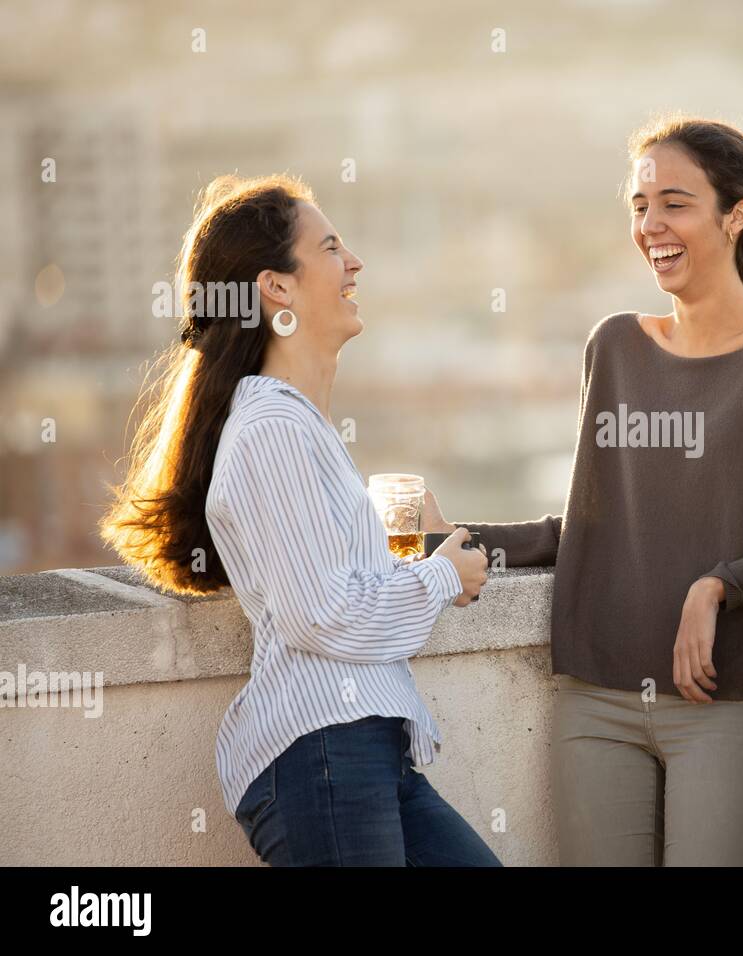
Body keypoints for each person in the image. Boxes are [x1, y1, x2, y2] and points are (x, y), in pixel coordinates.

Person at [426, 117, 743, 865]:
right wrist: (461, 540)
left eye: (675, 203)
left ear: (736, 216)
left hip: (729, 704)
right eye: (639, 206)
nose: (650, 226)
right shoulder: (614, 347)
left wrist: (720, 586)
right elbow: (594, 525)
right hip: (594, 699)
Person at [99, 174, 498, 866]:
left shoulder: (290, 426)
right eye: (333, 247)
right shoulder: (273, 428)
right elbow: (322, 613)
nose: (355, 265)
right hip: (325, 752)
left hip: (362, 749)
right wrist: (438, 577)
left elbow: (321, 582)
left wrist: (404, 550)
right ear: (276, 288)